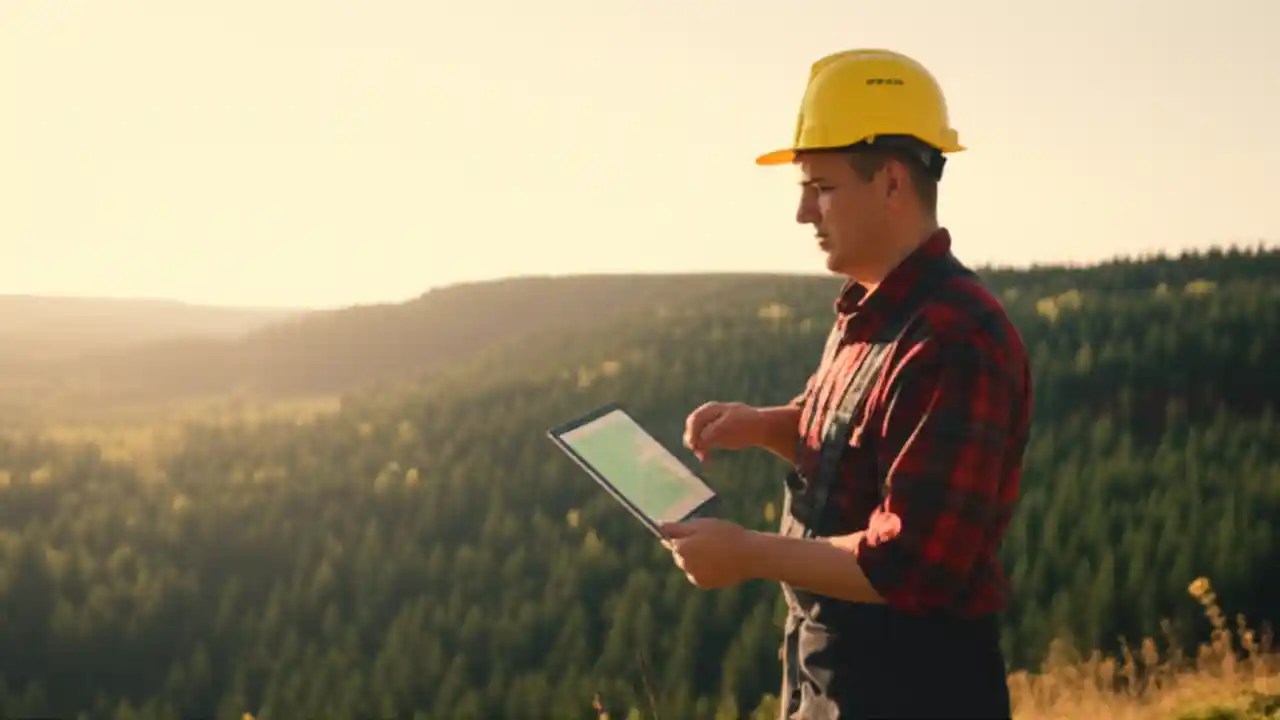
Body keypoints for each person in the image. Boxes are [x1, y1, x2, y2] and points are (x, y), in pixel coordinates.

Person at [658, 49, 1033, 719]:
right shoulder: (872, 308)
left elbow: (912, 561)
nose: (805, 212)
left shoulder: (956, 338)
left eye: (821, 186)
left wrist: (748, 553)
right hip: (830, 682)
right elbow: (857, 443)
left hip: (916, 695)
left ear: (891, 182)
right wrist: (770, 426)